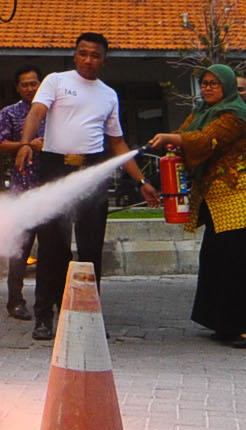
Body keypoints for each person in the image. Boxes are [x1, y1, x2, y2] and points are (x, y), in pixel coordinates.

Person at [21, 32, 152, 342]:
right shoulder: (56, 81)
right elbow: (37, 112)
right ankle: (44, 316)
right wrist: (25, 143)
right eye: (83, 53)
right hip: (56, 167)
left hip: (92, 170)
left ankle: (87, 315)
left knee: (91, 249)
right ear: (75, 54)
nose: (88, 60)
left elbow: (117, 142)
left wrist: (142, 181)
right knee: (52, 246)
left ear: (104, 60)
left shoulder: (108, 95)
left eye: (95, 55)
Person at [148, 65, 246, 347]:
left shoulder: (234, 115)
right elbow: (186, 135)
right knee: (219, 263)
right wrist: (174, 143)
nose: (208, 88)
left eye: (214, 83)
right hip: (218, 203)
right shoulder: (201, 112)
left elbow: (205, 140)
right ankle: (225, 323)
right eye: (205, 83)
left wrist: (173, 139)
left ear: (228, 87)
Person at [0, 66, 42, 319]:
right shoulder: (9, 113)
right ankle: (15, 301)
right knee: (20, 249)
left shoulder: (53, 111)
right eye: (25, 85)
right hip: (23, 189)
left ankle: (49, 300)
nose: (30, 88)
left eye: (34, 83)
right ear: (18, 88)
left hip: (51, 186)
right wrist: (26, 144)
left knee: (54, 251)